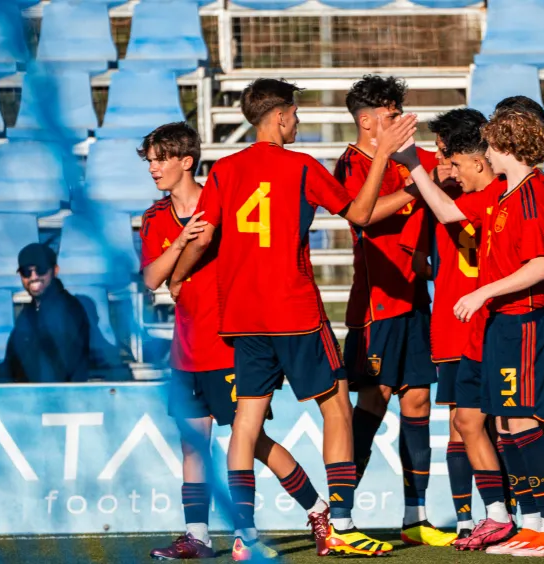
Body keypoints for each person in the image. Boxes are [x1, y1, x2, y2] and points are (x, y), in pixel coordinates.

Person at [169, 79, 417, 559]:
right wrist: (384, 153)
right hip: (294, 311)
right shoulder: (301, 166)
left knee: (245, 424)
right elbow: (360, 214)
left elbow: (202, 238)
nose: (297, 122)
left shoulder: (224, 170)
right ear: (281, 116)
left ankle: (244, 537)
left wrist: (177, 277)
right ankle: (341, 524)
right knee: (336, 407)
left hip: (243, 317)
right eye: (296, 115)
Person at [137, 123, 331, 560]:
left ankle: (314, 509)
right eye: (149, 160)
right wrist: (179, 245)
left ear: (186, 160)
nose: (153, 168)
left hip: (229, 343)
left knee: (253, 440)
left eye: (160, 159)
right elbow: (150, 278)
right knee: (193, 445)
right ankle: (198, 536)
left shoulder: (223, 202)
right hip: (185, 352)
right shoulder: (154, 218)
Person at [399, 103, 544, 556]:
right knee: (509, 427)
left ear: (506, 147)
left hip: (521, 321)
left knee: (523, 424)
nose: (485, 154)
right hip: (500, 323)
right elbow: (452, 216)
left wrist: (483, 293)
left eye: (490, 146)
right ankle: (531, 524)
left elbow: (541, 264)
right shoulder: (506, 195)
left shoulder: (533, 194)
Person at [335, 75, 454, 548]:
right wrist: (415, 190)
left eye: (401, 113)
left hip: (416, 300)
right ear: (367, 122)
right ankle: (341, 517)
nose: (401, 121)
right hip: (376, 305)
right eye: (391, 115)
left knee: (418, 401)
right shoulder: (351, 163)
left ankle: (415, 518)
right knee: (373, 402)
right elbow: (361, 213)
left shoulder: (415, 157)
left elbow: (456, 178)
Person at [399, 108, 500, 542]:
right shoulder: (445, 196)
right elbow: (417, 260)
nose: (442, 162)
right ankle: (467, 519)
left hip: (486, 320)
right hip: (457, 322)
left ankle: (513, 516)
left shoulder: (490, 194)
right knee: (465, 424)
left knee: (498, 424)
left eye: (445, 153)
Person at [0, 243, 89, 383]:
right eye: (26, 272)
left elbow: (61, 367)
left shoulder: (68, 309)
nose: (34, 277)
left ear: (55, 270)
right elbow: (10, 362)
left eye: (41, 270)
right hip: (28, 393)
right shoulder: (28, 313)